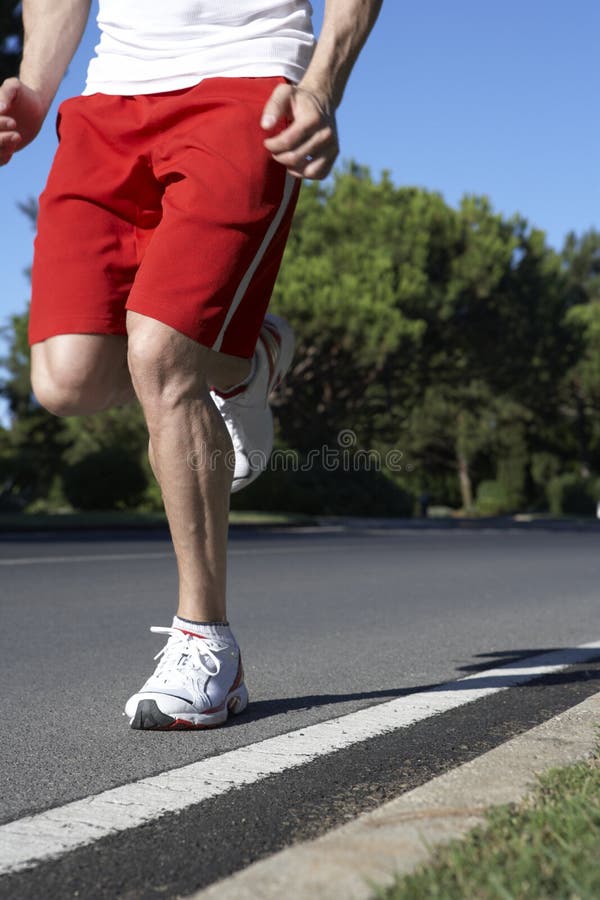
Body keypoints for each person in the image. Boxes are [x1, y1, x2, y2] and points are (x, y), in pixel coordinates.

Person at [0, 0, 383, 730]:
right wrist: (34, 84)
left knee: (161, 352)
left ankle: (207, 643)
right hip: (108, 102)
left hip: (248, 84)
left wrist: (321, 86)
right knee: (66, 381)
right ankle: (246, 357)